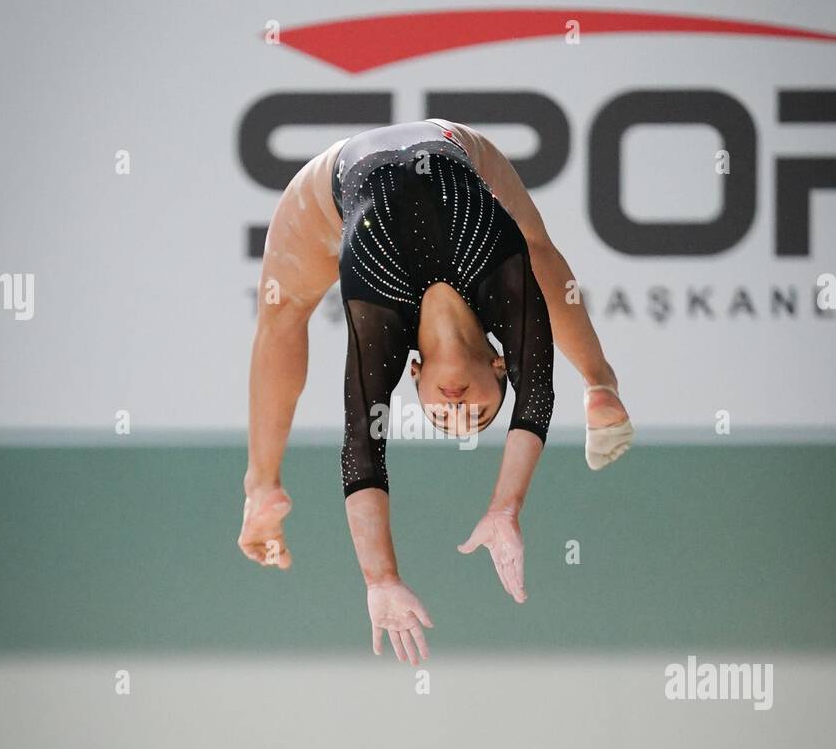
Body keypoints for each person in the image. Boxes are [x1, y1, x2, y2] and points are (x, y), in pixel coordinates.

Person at [238, 120, 632, 663]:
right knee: (537, 247)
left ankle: (260, 485)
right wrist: (504, 509)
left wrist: (381, 579)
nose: (457, 411)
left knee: (282, 312)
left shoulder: (383, 323)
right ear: (501, 365)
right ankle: (601, 382)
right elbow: (536, 396)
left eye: (445, 420)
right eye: (478, 413)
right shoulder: (504, 288)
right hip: (454, 143)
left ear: (415, 375)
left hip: (335, 184)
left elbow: (362, 450)